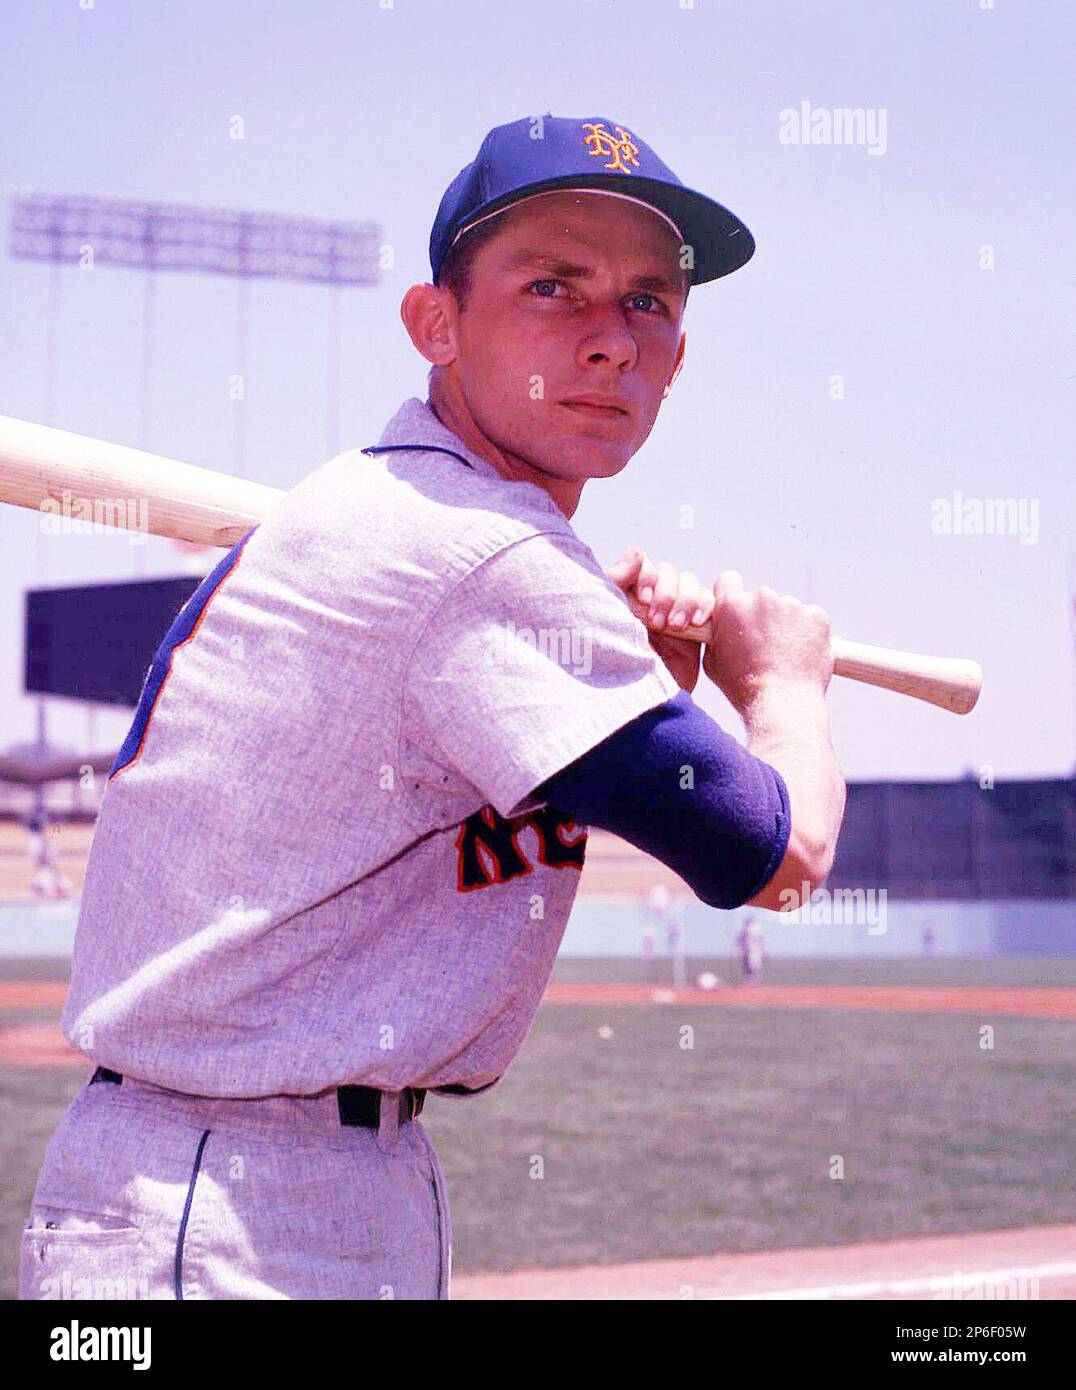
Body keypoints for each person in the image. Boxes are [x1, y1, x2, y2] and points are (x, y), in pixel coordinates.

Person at [19, 114, 845, 1301]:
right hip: (230, 1202)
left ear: (677, 354)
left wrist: (643, 671)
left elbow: (457, 819)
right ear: (435, 323)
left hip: (267, 1176)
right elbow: (773, 853)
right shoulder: (471, 553)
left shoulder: (424, 521)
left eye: (648, 302)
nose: (608, 340)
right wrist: (784, 687)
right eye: (551, 286)